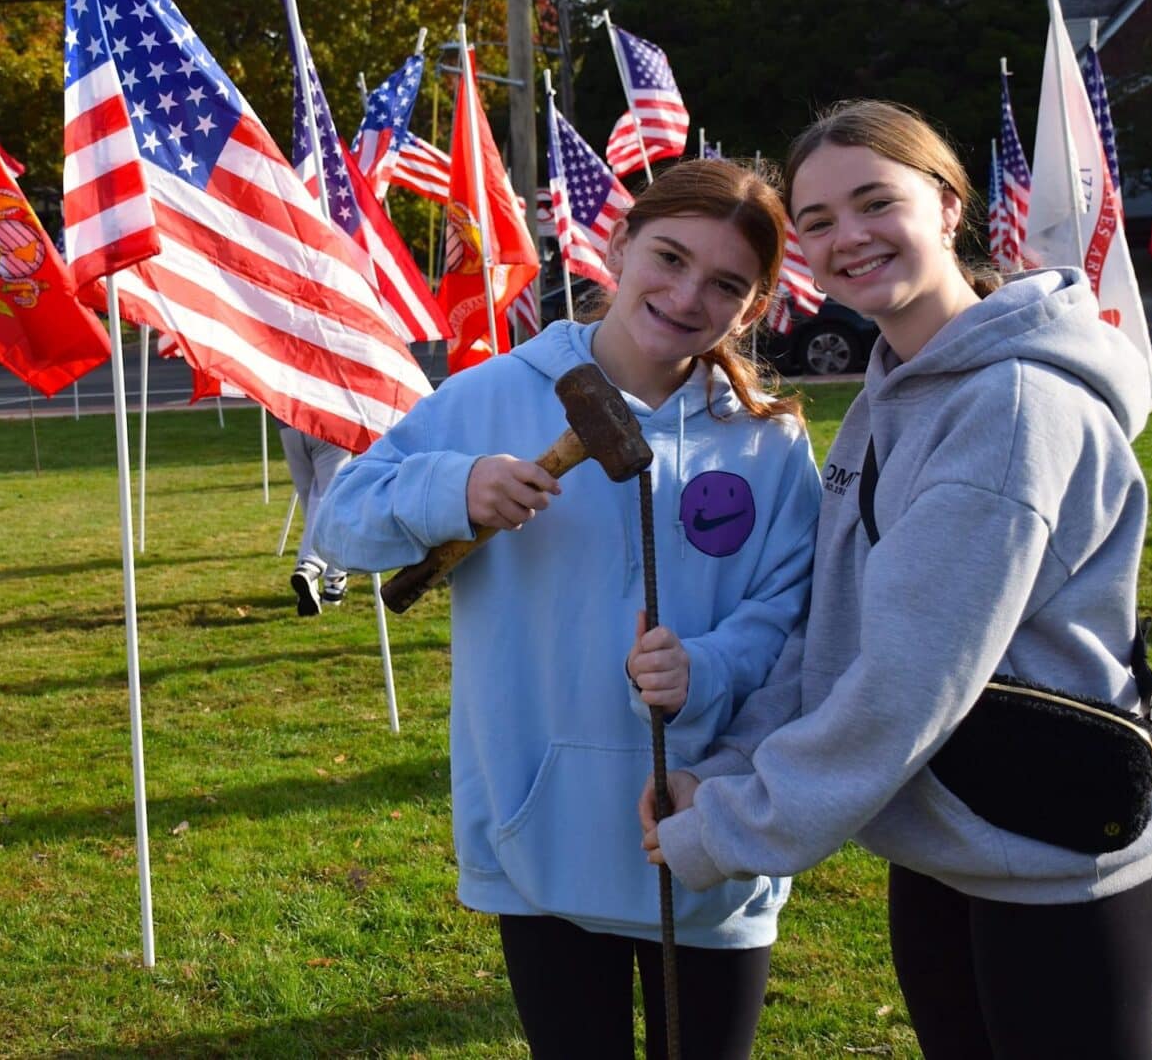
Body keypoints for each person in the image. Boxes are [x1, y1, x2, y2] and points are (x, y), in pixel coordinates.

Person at [644, 101, 1152, 1060]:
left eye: (875, 203)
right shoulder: (891, 389)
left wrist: (732, 824)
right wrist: (731, 766)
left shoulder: (1010, 406)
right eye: (815, 222)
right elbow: (838, 631)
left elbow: (906, 683)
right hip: (950, 847)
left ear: (947, 207)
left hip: (1062, 867)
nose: (846, 238)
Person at [313, 160, 821, 1059]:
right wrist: (452, 488)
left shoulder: (767, 440)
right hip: (535, 836)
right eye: (666, 257)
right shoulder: (495, 394)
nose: (685, 293)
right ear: (617, 247)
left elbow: (798, 617)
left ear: (753, 308)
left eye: (725, 284)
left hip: (705, 833)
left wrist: (706, 669)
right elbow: (341, 522)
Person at [280, 425, 351, 613]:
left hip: (289, 424)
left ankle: (334, 579)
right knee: (328, 503)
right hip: (332, 423)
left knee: (312, 507)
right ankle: (313, 567)